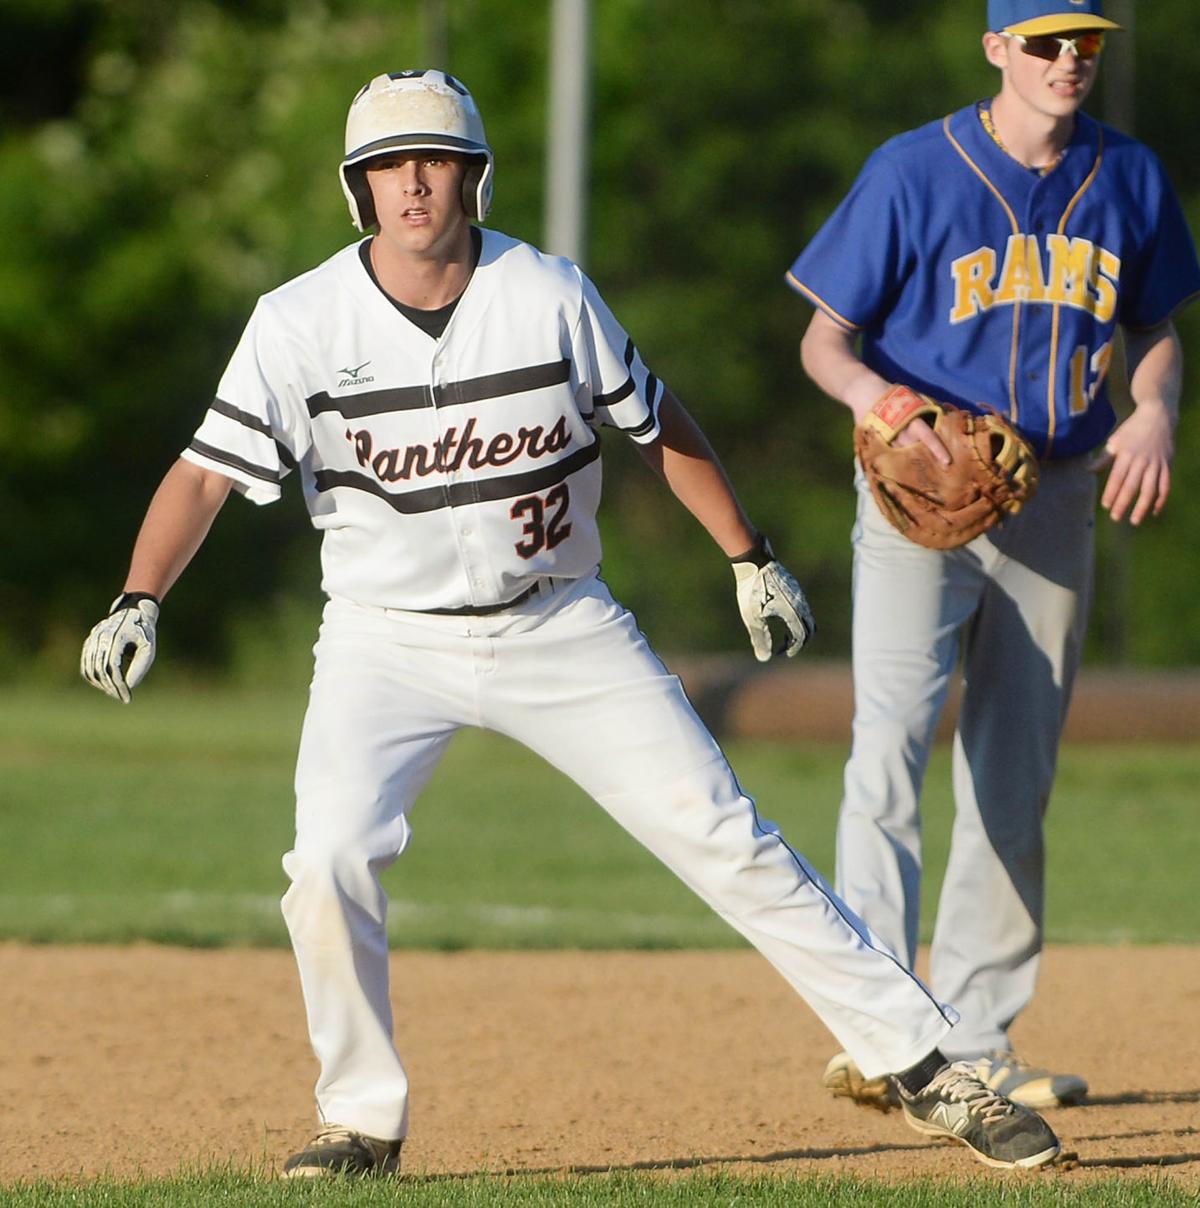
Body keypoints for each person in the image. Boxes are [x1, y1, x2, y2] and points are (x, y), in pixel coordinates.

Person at [81, 69, 1062, 1177]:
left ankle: (928, 1063)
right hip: (383, 636)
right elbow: (205, 474)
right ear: (357, 189)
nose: (413, 182)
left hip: (560, 622)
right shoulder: (298, 322)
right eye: (387, 166)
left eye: (435, 160)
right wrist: (140, 594)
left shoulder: (545, 293)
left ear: (474, 177)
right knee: (327, 858)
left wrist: (748, 554)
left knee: (724, 834)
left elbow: (656, 420)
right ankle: (360, 1117)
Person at [788, 0, 1200, 1114]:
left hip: (1057, 495)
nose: (1069, 62)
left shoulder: (1129, 177)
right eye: (1045, 41)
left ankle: (973, 1035)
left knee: (1013, 778)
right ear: (995, 49)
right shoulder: (914, 171)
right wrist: (879, 400)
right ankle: (880, 1024)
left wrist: (1154, 409)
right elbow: (824, 339)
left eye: (1087, 44)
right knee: (888, 750)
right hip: (921, 500)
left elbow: (1154, 331)